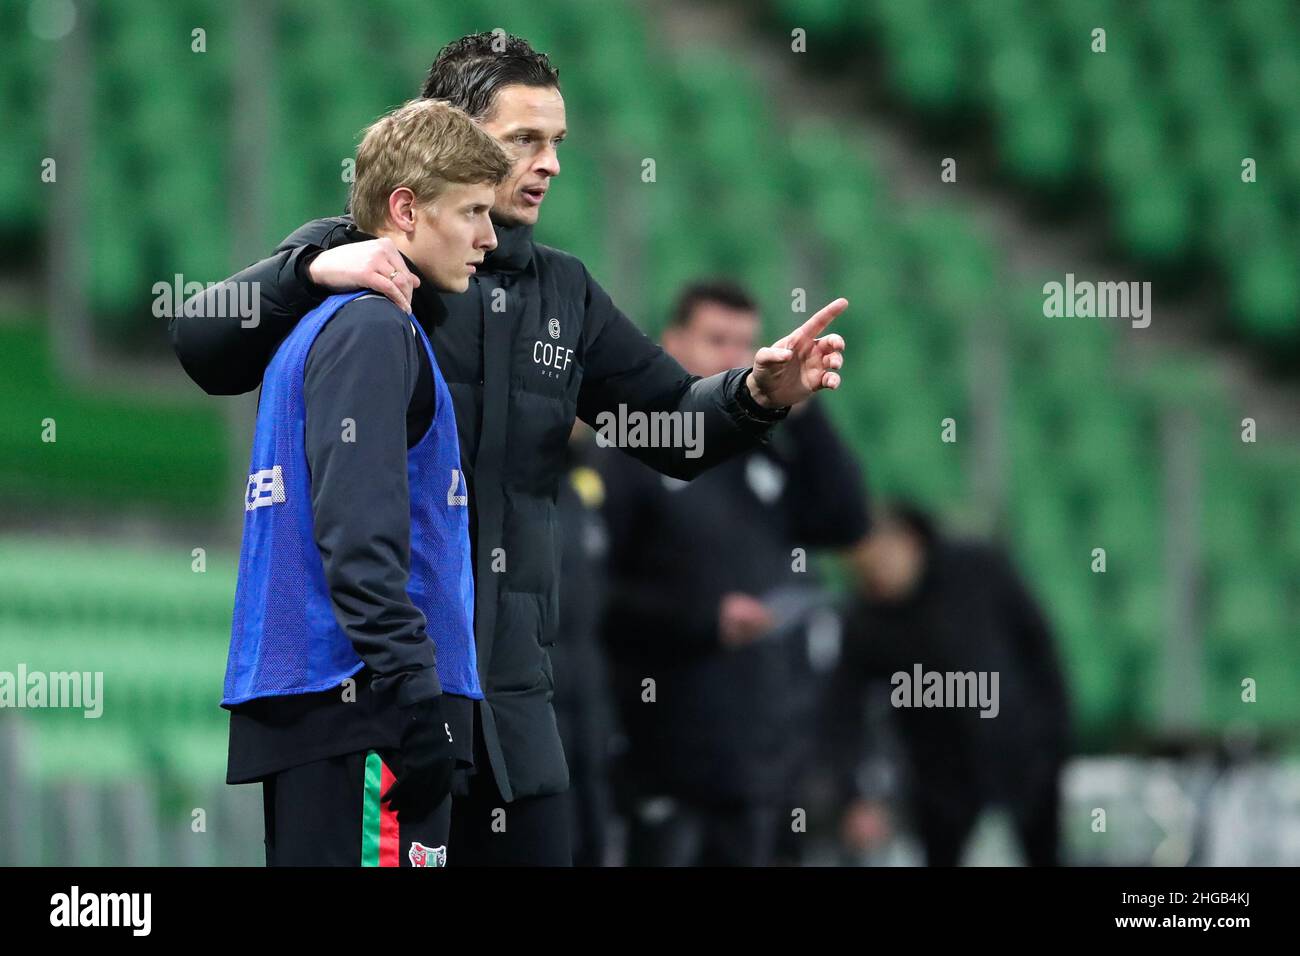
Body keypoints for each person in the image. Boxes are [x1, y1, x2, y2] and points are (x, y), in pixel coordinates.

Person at [172, 34, 849, 866]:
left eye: (557, 141)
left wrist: (755, 395)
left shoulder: (565, 292)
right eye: (525, 139)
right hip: (386, 705)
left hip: (517, 720)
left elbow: (672, 424)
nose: (550, 162)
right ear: (451, 136)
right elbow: (202, 344)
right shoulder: (365, 263)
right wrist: (309, 266)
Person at [221, 99, 508, 866]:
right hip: (366, 705)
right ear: (406, 208)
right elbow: (357, 532)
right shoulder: (374, 330)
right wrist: (418, 700)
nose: (489, 235)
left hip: (332, 703)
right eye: (474, 211)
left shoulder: (322, 323)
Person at [597, 280, 869, 866]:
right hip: (663, 754)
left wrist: (803, 410)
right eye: (716, 340)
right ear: (672, 343)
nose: (732, 358)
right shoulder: (634, 448)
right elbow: (591, 596)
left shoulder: (765, 450)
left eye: (745, 343)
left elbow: (846, 523)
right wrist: (702, 621)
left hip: (766, 757)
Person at [826, 503, 1072, 866]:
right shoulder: (865, 619)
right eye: (861, 572)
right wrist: (853, 794)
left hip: (1021, 752)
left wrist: (1056, 736)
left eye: (878, 564)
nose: (873, 579)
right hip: (938, 776)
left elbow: (1038, 647)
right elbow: (844, 711)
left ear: (908, 543)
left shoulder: (977, 568)